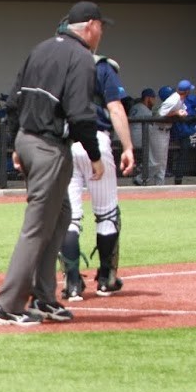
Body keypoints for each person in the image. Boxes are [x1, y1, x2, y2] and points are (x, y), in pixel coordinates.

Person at [0, 1, 106, 326]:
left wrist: (16, 143)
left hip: (29, 140)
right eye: (101, 27)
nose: (101, 34)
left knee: (61, 216)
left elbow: (13, 101)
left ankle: (43, 297)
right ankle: (7, 305)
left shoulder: (40, 48)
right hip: (49, 146)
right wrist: (95, 156)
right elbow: (82, 114)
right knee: (38, 226)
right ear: (91, 26)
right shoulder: (81, 57)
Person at [59, 51, 137, 301]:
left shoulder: (56, 66)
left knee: (69, 218)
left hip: (65, 144)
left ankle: (72, 283)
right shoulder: (102, 67)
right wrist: (127, 146)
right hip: (96, 139)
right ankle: (106, 279)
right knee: (107, 213)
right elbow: (115, 108)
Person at [168, 79, 196, 184]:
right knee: (184, 151)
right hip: (182, 129)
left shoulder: (193, 99)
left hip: (195, 126)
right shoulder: (174, 100)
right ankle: (178, 178)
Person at [151, 84, 181, 185]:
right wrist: (176, 113)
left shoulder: (173, 106)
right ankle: (140, 178)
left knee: (163, 162)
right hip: (158, 132)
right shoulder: (160, 108)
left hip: (166, 132)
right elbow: (161, 115)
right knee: (156, 161)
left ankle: (160, 185)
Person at [128, 89, 153, 185]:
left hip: (132, 138)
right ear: (148, 98)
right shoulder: (144, 109)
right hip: (140, 139)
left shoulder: (135, 107)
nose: (154, 101)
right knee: (152, 158)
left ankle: (139, 169)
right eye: (153, 98)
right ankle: (140, 175)